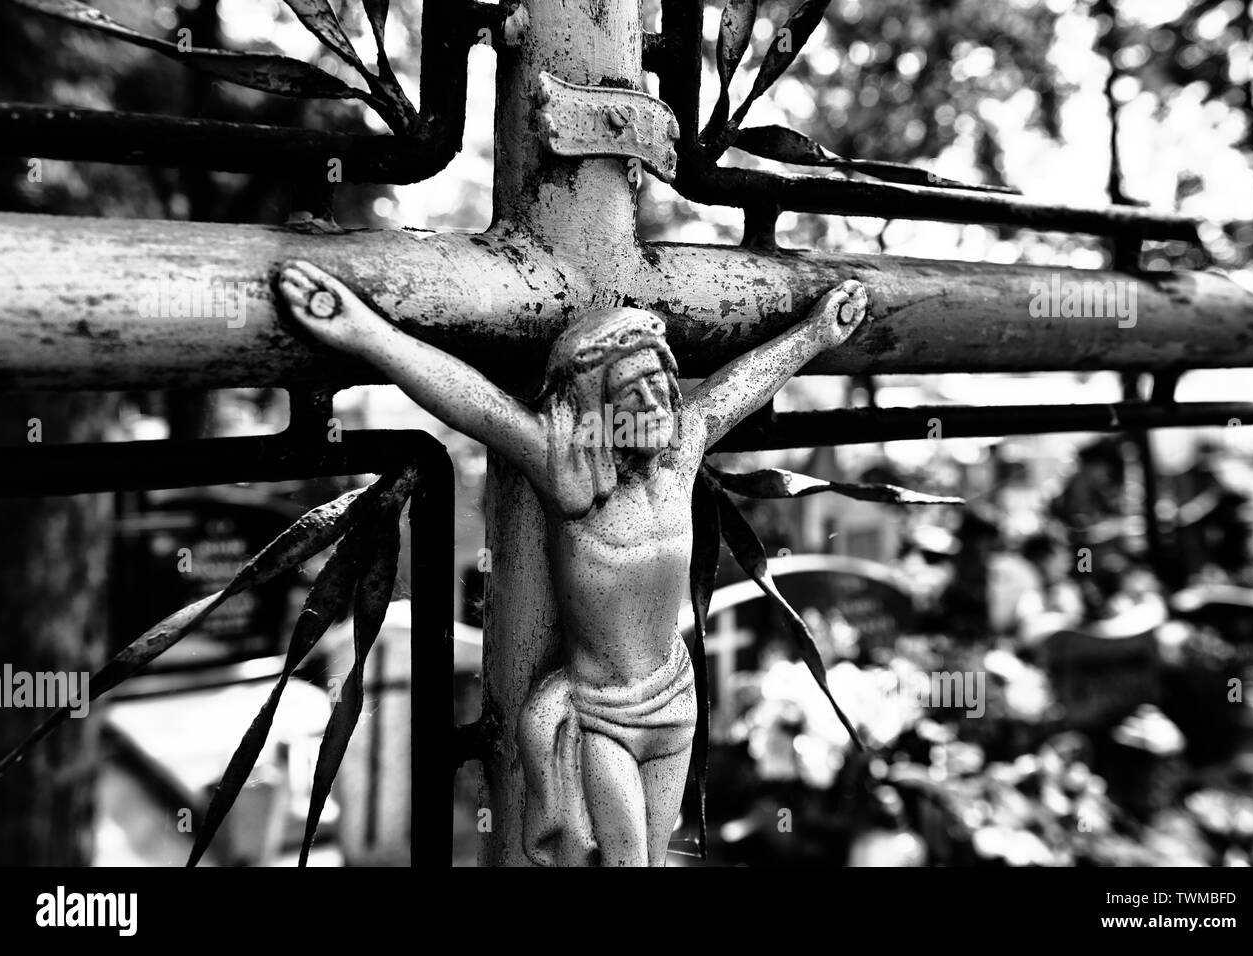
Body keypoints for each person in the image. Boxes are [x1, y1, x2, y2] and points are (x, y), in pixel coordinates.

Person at [277, 261, 869, 865]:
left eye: (660, 384)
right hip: (606, 715)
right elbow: (473, 404)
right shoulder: (572, 479)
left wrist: (817, 334)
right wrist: (361, 331)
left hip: (677, 698)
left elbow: (740, 385)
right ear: (596, 409)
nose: (657, 402)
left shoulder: (681, 455)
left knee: (657, 857)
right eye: (631, 393)